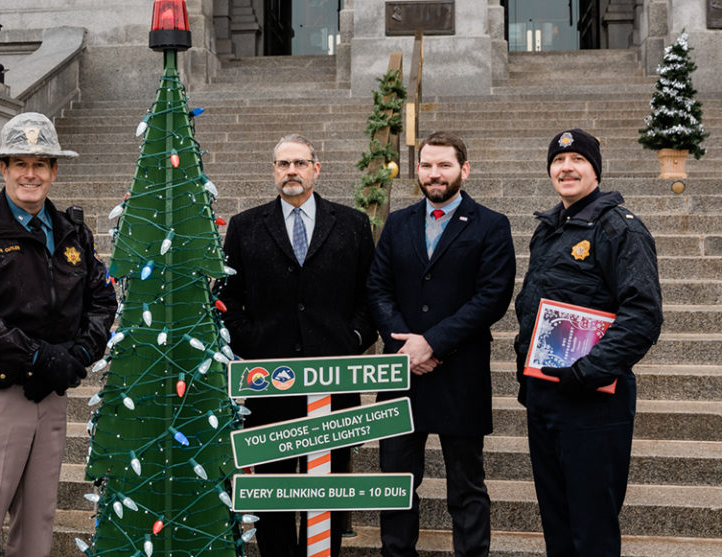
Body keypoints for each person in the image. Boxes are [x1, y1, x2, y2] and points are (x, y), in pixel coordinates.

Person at [0, 112, 116, 557]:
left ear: (54, 171)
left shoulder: (73, 233)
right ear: (3, 169)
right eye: (20, 163)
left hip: (51, 395)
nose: (30, 174)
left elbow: (103, 301)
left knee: (37, 527)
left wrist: (78, 355)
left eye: (40, 164)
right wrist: (36, 355)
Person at [218, 133, 378, 557]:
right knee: (271, 494)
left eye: (300, 163)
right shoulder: (245, 226)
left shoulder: (352, 224)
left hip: (334, 383)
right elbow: (227, 301)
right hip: (268, 386)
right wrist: (250, 344)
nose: (292, 171)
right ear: (274, 171)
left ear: (316, 168)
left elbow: (370, 297)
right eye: (283, 164)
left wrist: (354, 341)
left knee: (325, 492)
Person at [366, 131, 516, 557]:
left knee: (466, 487)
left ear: (464, 170)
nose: (435, 174)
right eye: (427, 165)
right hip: (399, 375)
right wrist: (405, 348)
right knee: (395, 483)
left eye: (444, 165)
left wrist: (430, 344)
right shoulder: (397, 223)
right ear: (417, 170)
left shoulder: (491, 224)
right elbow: (377, 288)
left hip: (459, 374)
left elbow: (492, 298)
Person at [514, 129, 663, 557]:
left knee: (592, 531)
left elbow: (643, 315)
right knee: (557, 527)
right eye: (558, 162)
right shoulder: (549, 230)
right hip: (545, 396)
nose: (566, 168)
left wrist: (586, 373)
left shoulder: (621, 229)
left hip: (592, 402)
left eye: (578, 159)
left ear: (595, 169)